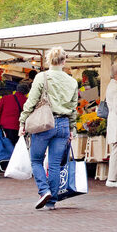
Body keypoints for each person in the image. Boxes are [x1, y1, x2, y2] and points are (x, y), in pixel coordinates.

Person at [20, 47, 78, 210]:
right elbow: (73, 108)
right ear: (64, 61)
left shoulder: (41, 77)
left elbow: (31, 101)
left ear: (48, 60)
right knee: (54, 165)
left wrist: (23, 120)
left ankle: (44, 190)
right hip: (64, 124)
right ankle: (51, 202)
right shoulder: (72, 82)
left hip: (44, 123)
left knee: (36, 160)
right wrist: (72, 128)